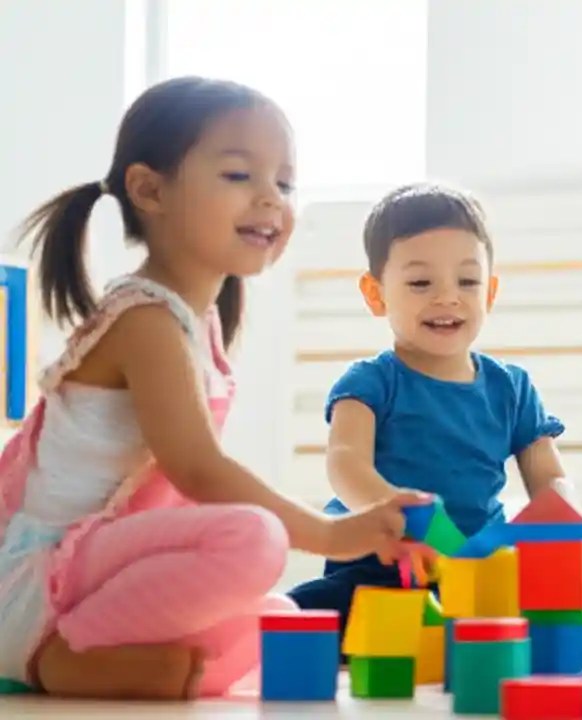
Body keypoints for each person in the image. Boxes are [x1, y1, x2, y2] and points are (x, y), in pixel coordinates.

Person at [0, 77, 420, 701]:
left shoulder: (196, 325)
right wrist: (332, 535)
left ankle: (132, 667)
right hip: (42, 578)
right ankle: (56, 658)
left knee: (276, 618)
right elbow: (198, 470)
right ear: (150, 190)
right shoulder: (145, 320)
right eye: (238, 175)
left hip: (99, 567)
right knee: (256, 540)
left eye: (284, 183)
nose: (270, 199)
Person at [287, 183, 572, 640]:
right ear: (376, 294)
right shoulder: (371, 382)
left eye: (468, 281)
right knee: (316, 611)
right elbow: (345, 465)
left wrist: (561, 527)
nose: (447, 297)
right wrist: (397, 519)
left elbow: (549, 478)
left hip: (476, 568)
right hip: (384, 563)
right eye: (421, 283)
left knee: (559, 613)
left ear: (490, 292)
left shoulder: (511, 387)